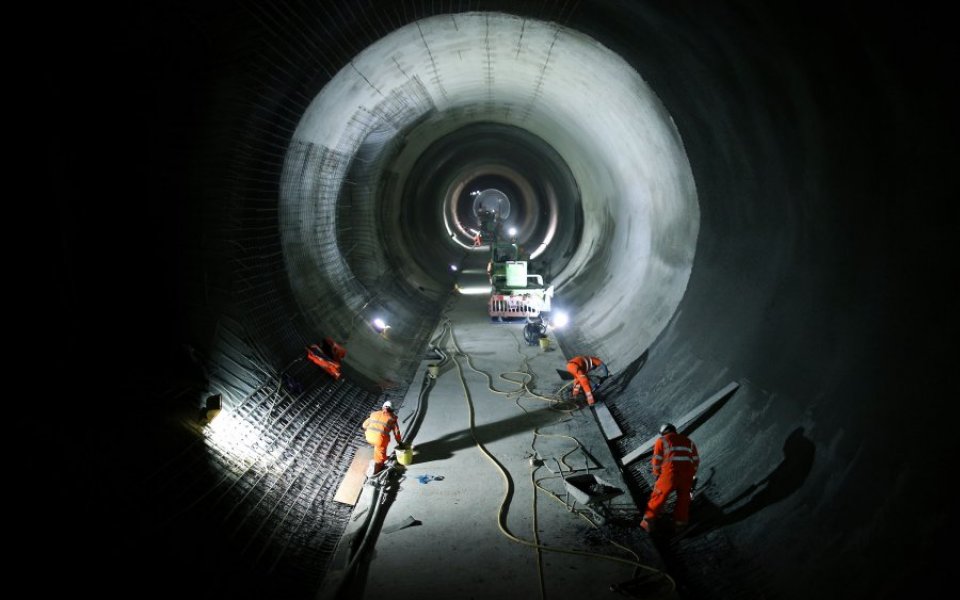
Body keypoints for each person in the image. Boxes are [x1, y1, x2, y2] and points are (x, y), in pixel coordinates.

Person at [640, 423, 699, 532]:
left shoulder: (662, 440)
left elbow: (656, 460)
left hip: (670, 474)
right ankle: (680, 524)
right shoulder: (689, 442)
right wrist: (691, 474)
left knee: (659, 496)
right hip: (686, 476)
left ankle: (647, 523)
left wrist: (657, 473)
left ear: (663, 432)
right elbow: (695, 460)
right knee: (683, 499)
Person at [362, 400, 403, 475]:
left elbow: (364, 425)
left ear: (383, 407)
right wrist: (400, 442)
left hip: (368, 437)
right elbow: (396, 433)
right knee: (380, 457)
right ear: (392, 409)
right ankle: (376, 470)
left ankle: (380, 458)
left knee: (378, 450)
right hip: (379, 440)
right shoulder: (392, 418)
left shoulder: (374, 414)